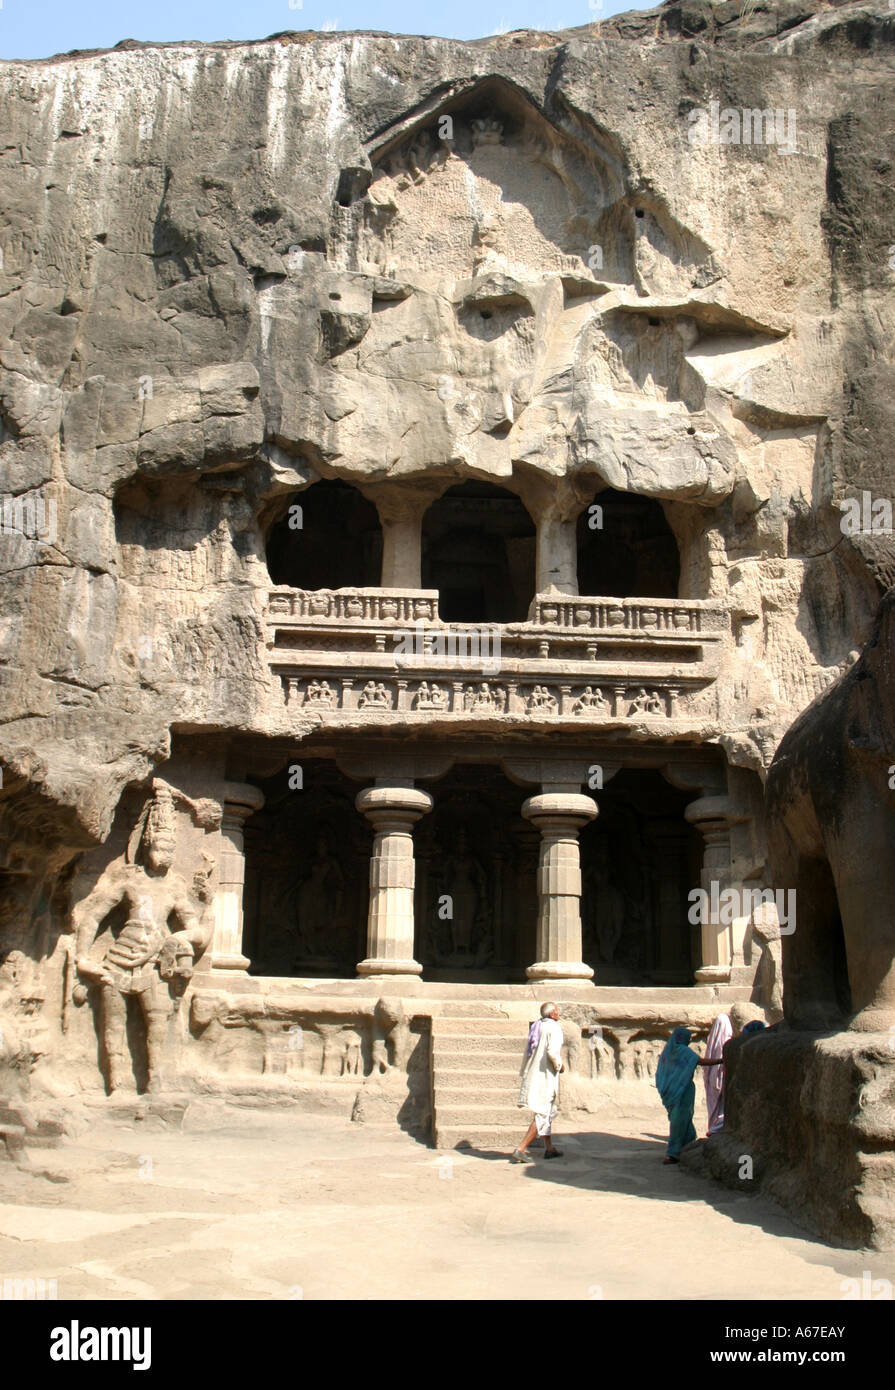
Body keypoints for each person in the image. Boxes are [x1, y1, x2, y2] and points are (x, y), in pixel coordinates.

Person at [511, 1002, 565, 1164]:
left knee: (548, 1111)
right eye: (556, 1010)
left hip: (536, 1071)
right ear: (551, 1014)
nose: (558, 1012)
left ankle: (549, 1148)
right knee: (542, 1112)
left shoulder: (537, 1025)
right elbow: (552, 1051)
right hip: (545, 1075)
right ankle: (521, 1149)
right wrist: (560, 1066)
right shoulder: (553, 1027)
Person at [655, 1026, 701, 1164]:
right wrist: (720, 1061)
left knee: (681, 1120)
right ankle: (673, 1152)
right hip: (683, 1090)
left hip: (671, 1092)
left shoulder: (667, 1052)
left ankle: (686, 1146)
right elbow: (699, 1061)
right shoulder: (683, 1051)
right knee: (680, 1120)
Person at [702, 1012, 733, 1136]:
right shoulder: (725, 1038)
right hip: (720, 1073)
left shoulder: (713, 1038)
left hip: (712, 1073)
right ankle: (716, 1128)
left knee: (714, 1102)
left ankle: (714, 1126)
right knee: (721, 1103)